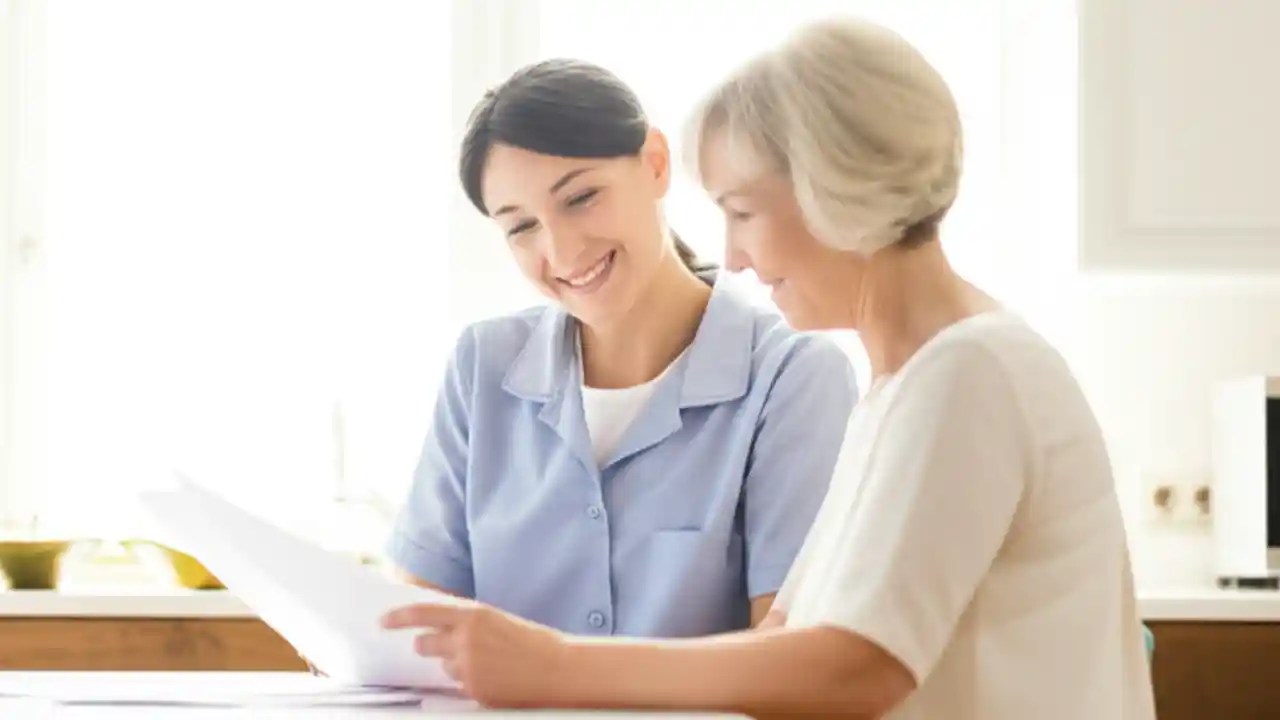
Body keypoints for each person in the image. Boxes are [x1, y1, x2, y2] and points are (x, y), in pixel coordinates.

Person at [382, 18, 1156, 719]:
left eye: (743, 213)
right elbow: (788, 637)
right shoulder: (902, 387)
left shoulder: (968, 371)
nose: (735, 258)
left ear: (837, 188)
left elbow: (857, 668)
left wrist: (554, 666)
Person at [384, 58, 857, 639]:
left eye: (581, 197)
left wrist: (552, 669)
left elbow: (788, 659)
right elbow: (415, 632)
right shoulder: (481, 366)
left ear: (655, 164)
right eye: (522, 227)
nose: (562, 251)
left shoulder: (794, 381)